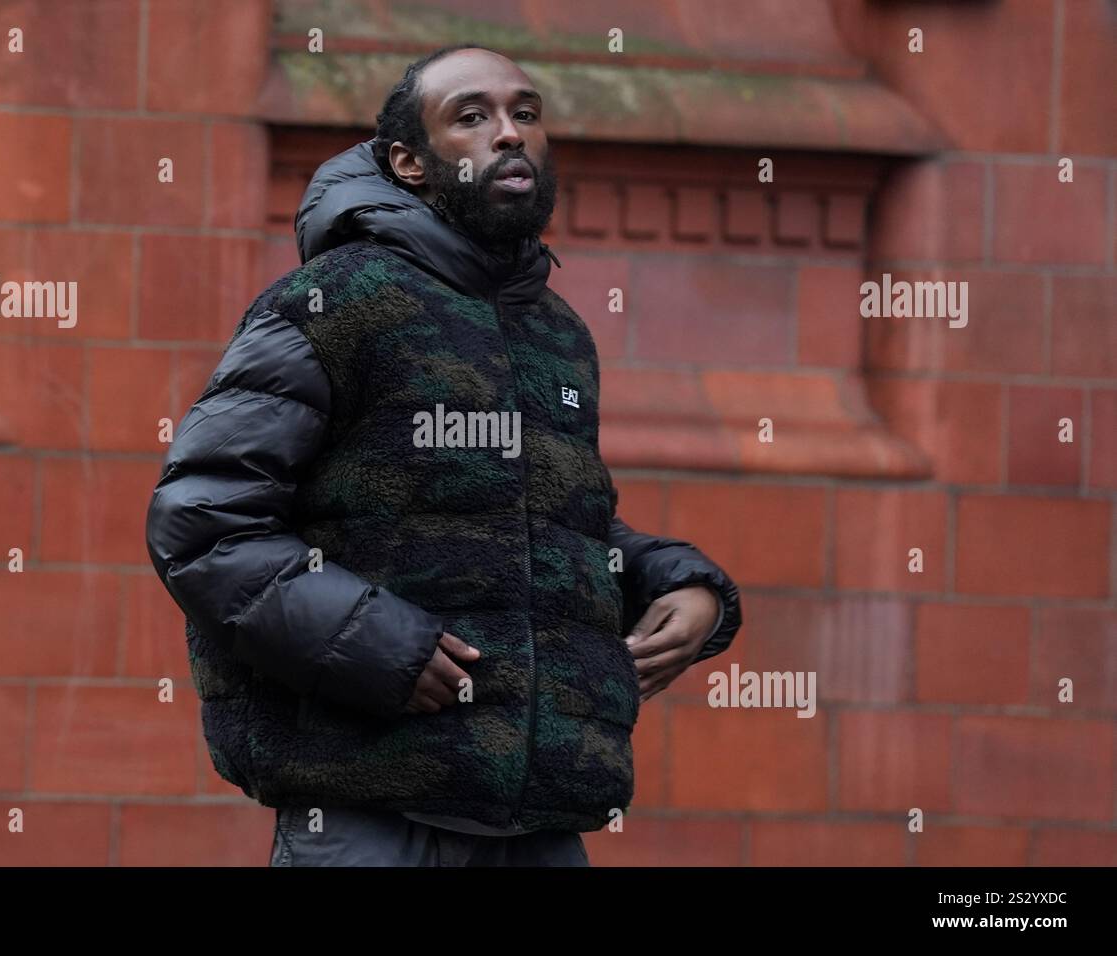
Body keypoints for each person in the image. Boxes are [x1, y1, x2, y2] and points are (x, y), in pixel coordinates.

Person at [144, 43, 742, 867]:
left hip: (540, 826)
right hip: (374, 818)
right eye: (472, 117)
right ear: (410, 163)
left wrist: (681, 584)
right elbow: (204, 523)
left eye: (525, 113)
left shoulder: (556, 331)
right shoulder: (336, 301)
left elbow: (544, 525)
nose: (510, 133)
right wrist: (374, 640)